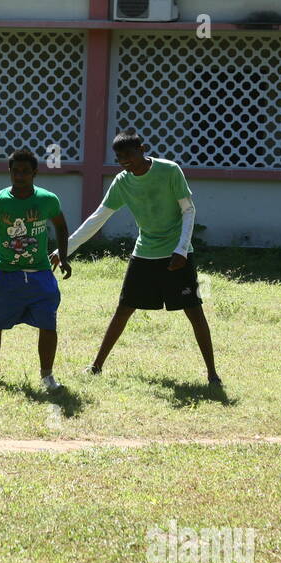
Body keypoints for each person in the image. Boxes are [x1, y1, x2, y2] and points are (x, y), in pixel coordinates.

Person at [52, 131, 219, 385]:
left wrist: (182, 249)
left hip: (177, 254)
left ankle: (212, 375)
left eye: (129, 155)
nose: (125, 162)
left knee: (194, 312)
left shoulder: (169, 170)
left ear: (142, 149)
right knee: (124, 309)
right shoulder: (122, 182)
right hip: (145, 253)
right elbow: (97, 218)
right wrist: (65, 250)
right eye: (119, 158)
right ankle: (96, 366)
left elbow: (188, 209)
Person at [0, 148, 72, 390]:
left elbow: (61, 227)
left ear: (35, 173)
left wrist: (64, 256)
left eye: (25, 171)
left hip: (41, 276)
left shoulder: (47, 200)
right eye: (15, 171)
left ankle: (47, 376)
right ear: (10, 172)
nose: (20, 176)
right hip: (6, 275)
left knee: (48, 325)